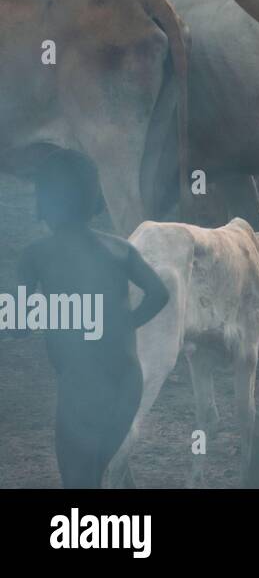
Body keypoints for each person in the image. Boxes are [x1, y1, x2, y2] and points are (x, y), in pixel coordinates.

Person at [18, 149, 169, 488]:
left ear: (45, 202)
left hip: (81, 388)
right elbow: (160, 294)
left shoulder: (36, 255)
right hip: (128, 383)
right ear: (93, 199)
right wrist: (124, 323)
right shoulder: (120, 249)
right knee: (91, 477)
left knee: (78, 482)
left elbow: (17, 325)